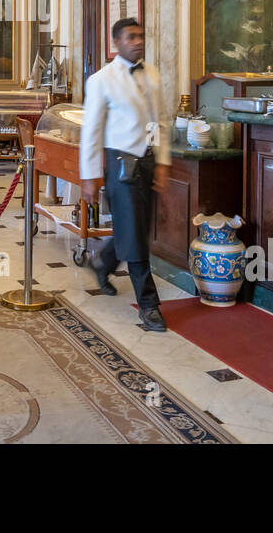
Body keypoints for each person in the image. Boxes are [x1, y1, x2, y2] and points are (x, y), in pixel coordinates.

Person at [79, 17, 172, 332]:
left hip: (146, 161)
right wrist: (89, 176)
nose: (138, 41)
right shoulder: (101, 80)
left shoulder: (153, 74)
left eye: (141, 36)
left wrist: (161, 162)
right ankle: (149, 306)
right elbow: (91, 131)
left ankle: (102, 263)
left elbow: (159, 120)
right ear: (116, 42)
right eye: (131, 37)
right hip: (120, 164)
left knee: (135, 229)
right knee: (134, 234)